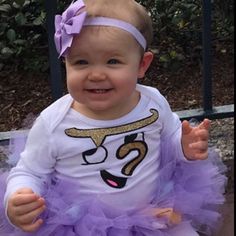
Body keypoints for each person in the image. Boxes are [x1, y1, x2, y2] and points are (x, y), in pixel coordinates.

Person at [0, 0, 226, 235]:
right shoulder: (54, 123)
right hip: (81, 227)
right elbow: (30, 171)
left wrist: (184, 146)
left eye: (113, 61)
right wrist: (18, 197)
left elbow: (169, 138)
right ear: (66, 63)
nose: (96, 74)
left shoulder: (153, 103)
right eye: (81, 62)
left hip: (153, 214)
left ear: (142, 64)